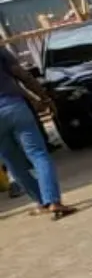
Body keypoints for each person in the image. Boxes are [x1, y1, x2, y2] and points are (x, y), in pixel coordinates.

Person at [0, 47, 75, 219]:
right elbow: (23, 76)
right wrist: (43, 97)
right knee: (38, 154)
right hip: (14, 108)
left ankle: (43, 202)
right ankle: (53, 202)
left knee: (13, 163)